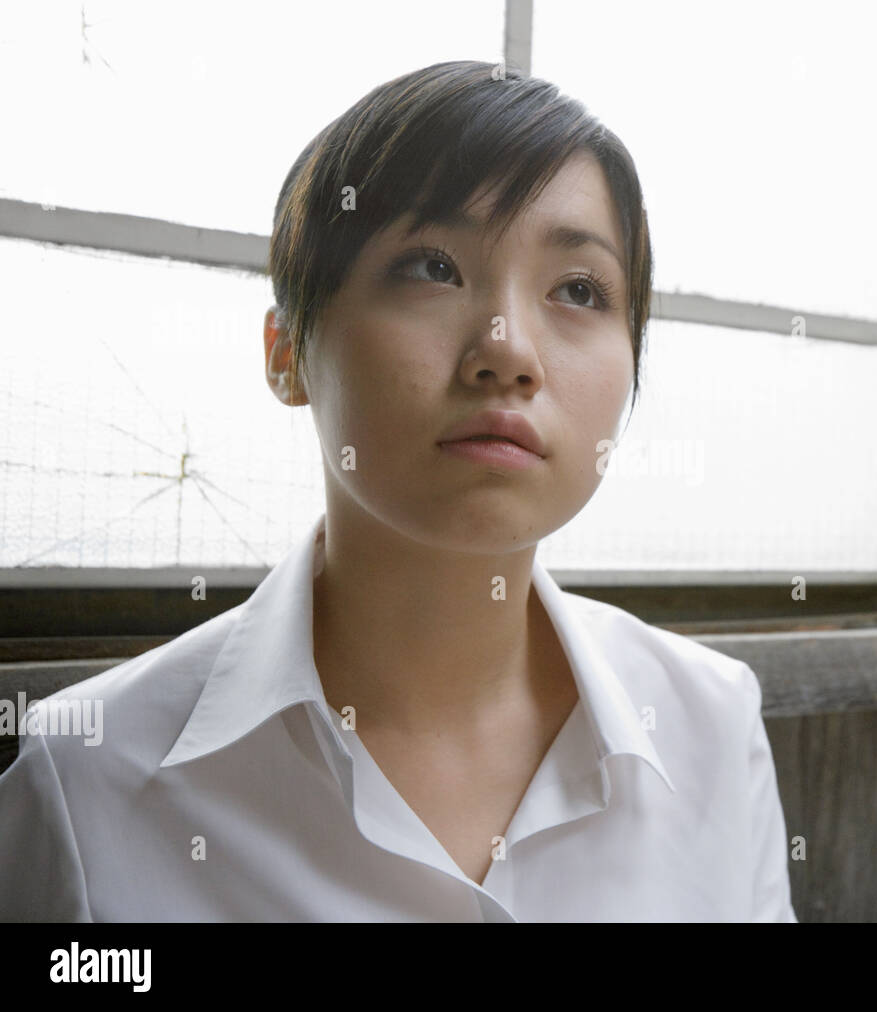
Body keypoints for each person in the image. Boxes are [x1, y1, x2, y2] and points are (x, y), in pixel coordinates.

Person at [0, 60, 796, 922]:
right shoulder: (90, 784)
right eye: (431, 268)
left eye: (578, 289)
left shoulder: (712, 727)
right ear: (287, 353)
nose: (508, 350)